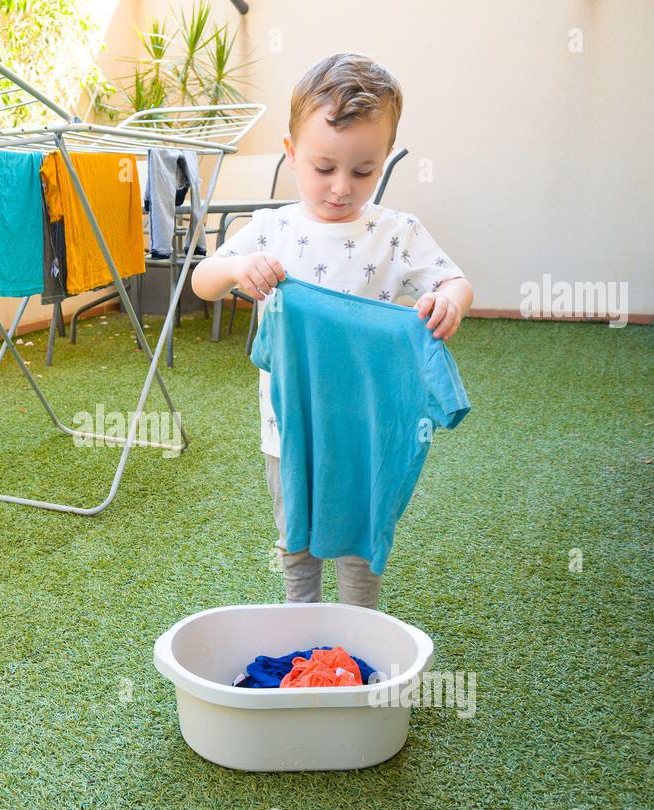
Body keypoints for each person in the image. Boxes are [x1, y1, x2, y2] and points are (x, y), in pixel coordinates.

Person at [191, 52, 474, 609]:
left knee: (359, 540)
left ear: (385, 158)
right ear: (292, 154)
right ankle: (303, 622)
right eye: (324, 168)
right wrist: (235, 269)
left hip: (367, 427)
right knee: (296, 537)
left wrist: (449, 301)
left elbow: (455, 281)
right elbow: (203, 280)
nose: (342, 186)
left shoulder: (397, 232)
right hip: (289, 427)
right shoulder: (272, 229)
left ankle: (357, 629)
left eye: (363, 170)